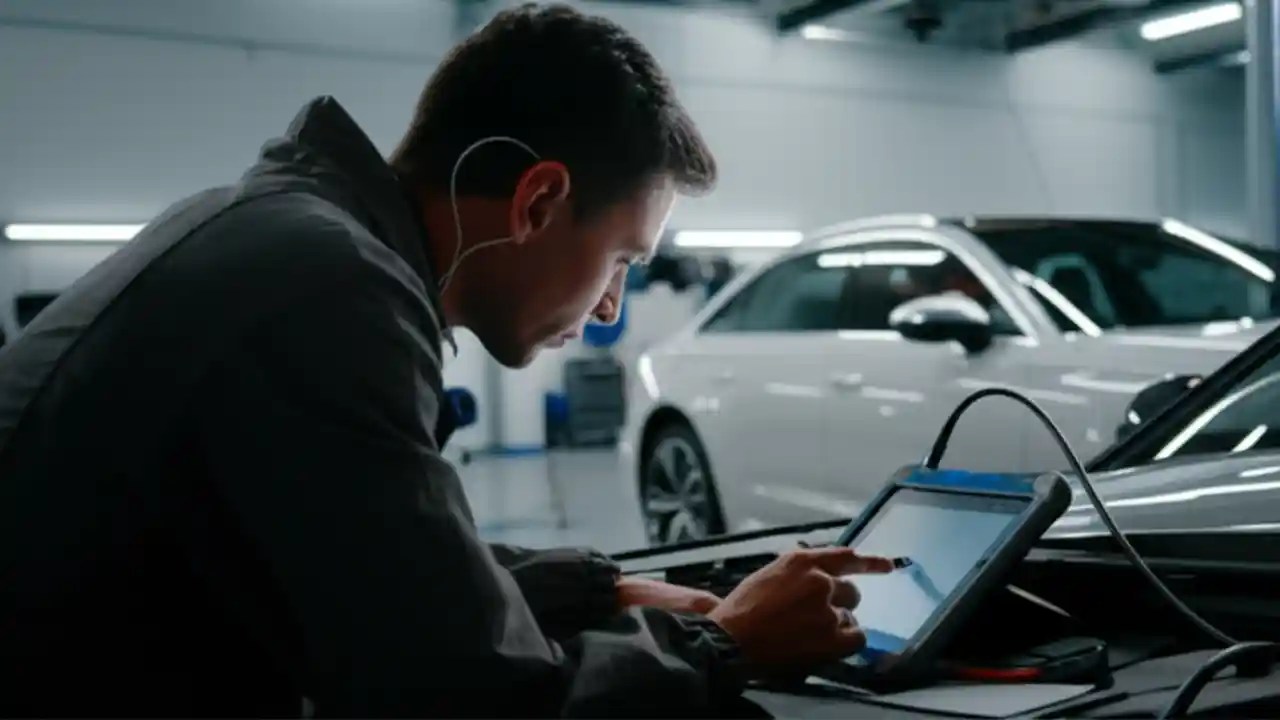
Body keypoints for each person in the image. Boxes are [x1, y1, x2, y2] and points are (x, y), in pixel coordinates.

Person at [0, 3, 890, 716]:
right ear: (538, 201)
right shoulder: (333, 292)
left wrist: (604, 592)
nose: (612, 306)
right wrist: (724, 645)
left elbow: (373, 553)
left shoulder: (278, 232)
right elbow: (473, 695)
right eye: (622, 259)